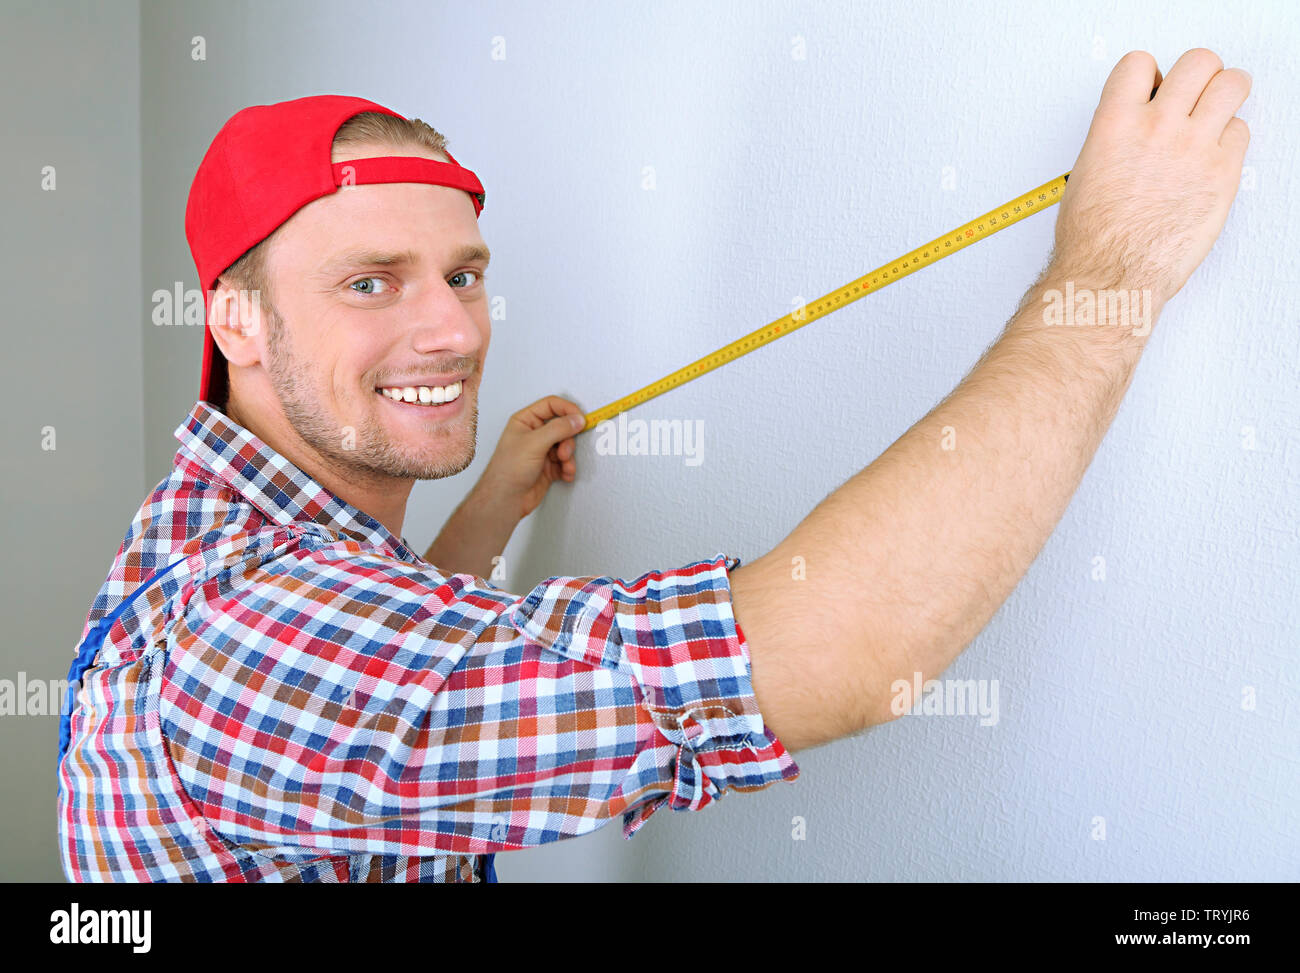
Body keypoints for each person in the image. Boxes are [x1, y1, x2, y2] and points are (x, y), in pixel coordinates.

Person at [57, 48, 1250, 882]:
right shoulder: (242, 631)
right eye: (371, 282)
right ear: (237, 323)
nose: (455, 333)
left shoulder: (221, 530)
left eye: (462, 274)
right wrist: (1115, 271)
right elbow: (835, 658)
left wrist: (484, 516)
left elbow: (381, 669)